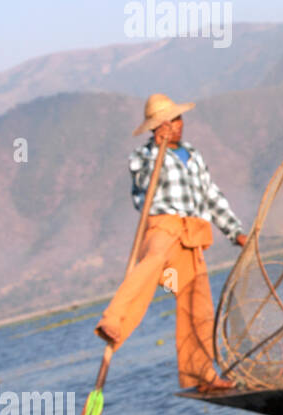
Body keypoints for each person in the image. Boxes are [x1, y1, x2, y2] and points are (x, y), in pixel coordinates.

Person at [94, 93, 246, 393]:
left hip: (192, 233)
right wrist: (159, 149)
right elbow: (143, 182)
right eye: (167, 122)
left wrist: (234, 231)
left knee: (197, 304)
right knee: (149, 268)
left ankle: (202, 375)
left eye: (177, 120)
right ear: (155, 128)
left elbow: (211, 195)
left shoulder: (194, 154)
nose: (175, 126)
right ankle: (113, 321)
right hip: (163, 226)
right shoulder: (144, 156)